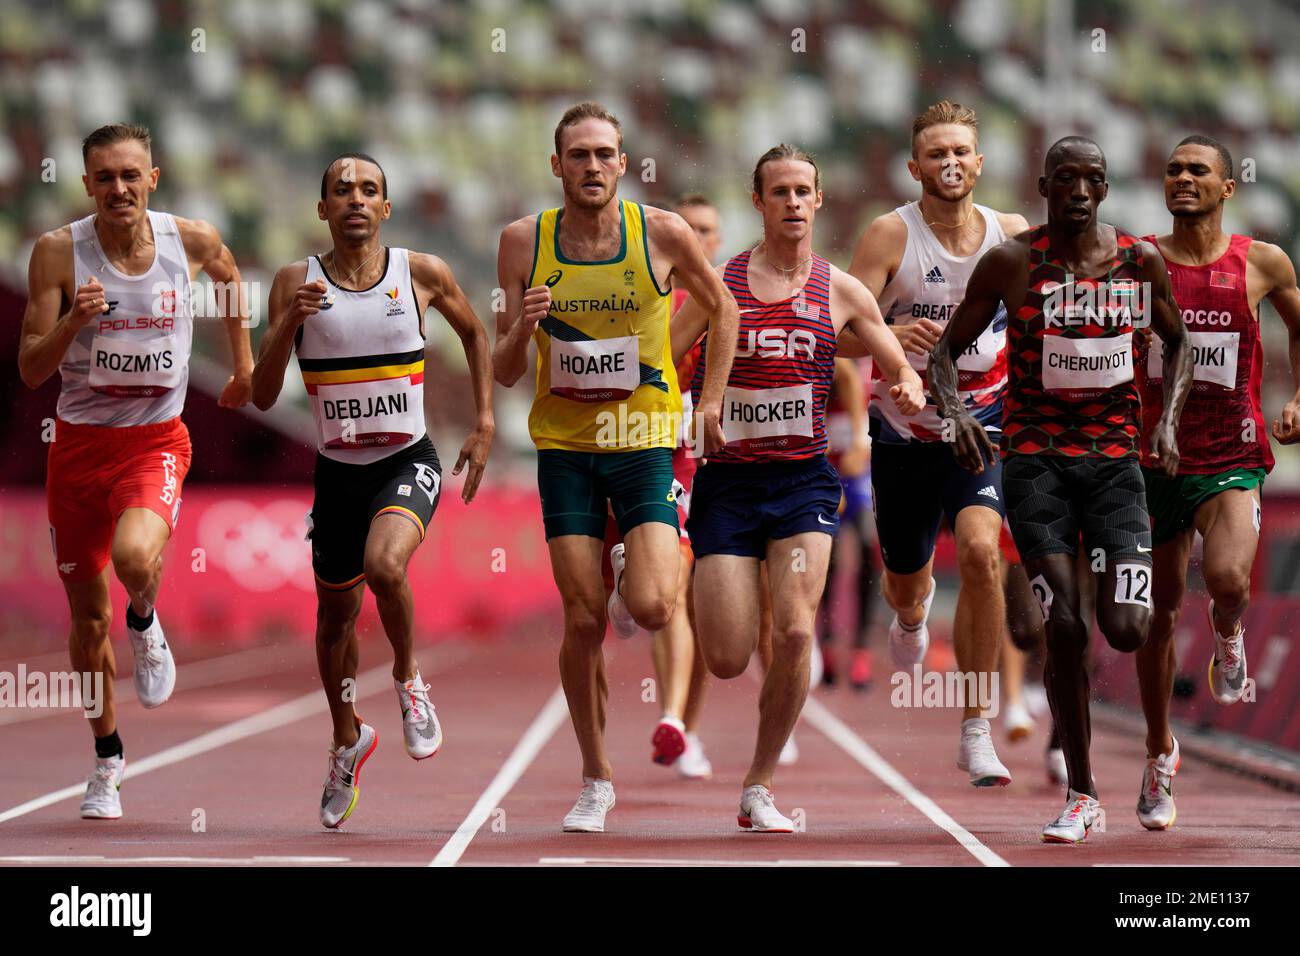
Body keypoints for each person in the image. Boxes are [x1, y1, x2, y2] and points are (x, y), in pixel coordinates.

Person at [928, 136, 1193, 843]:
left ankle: (1159, 751)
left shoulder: (1140, 261)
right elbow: (944, 354)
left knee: (1126, 628)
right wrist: (955, 415)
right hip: (1036, 465)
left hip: (1115, 468)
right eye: (1066, 178)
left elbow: (1182, 342)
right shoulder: (1013, 264)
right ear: (1045, 184)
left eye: (1093, 179)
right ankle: (1082, 793)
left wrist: (1166, 421)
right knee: (1065, 630)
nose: (1079, 189)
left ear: (1105, 189)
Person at [494, 103, 738, 832]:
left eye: (604, 154)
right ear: (556, 166)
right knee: (583, 618)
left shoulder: (662, 232)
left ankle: (638, 558)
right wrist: (525, 327)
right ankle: (596, 777)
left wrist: (712, 404)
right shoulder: (521, 243)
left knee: (659, 606)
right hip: (567, 451)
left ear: (623, 163)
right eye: (578, 156)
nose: (592, 167)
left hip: (644, 439)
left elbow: (721, 307)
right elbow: (506, 371)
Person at [671, 144, 923, 831]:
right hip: (728, 484)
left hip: (804, 484)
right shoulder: (717, 284)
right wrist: (693, 408)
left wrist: (906, 380)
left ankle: (759, 783)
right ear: (757, 202)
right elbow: (663, 358)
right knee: (725, 655)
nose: (790, 202)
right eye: (776, 191)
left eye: (801, 191)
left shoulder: (841, 289)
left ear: (818, 202)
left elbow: (892, 355)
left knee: (792, 630)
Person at [17, 123, 254, 819]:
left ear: (154, 178)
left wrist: (241, 364)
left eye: (131, 175)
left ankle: (146, 619)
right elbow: (32, 370)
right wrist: (73, 323)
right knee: (87, 625)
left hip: (154, 442)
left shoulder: (192, 240)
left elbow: (232, 277)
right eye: (104, 178)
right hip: (78, 450)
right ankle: (107, 760)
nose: (118, 188)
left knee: (132, 556)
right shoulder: (59, 254)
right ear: (86, 184)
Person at [251, 153, 494, 829]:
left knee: (387, 567)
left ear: (386, 208)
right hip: (336, 475)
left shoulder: (420, 273)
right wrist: (283, 327)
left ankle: (410, 680)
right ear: (322, 210)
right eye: (341, 191)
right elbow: (265, 393)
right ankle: (346, 737)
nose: (356, 199)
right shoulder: (292, 282)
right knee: (334, 621)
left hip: (406, 460)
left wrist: (482, 423)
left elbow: (476, 334)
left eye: (370, 190)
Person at [838, 101, 1030, 785]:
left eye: (962, 152)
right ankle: (912, 615)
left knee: (982, 553)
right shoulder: (890, 238)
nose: (950, 163)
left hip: (980, 430)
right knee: (906, 583)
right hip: (901, 436)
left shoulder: (1010, 236)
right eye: (936, 154)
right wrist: (889, 339)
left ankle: (975, 730)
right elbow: (835, 334)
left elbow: (1048, 320)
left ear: (979, 163)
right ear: (916, 167)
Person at [1132, 135, 1300, 830]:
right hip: (1149, 457)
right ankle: (1158, 754)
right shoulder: (1138, 260)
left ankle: (1229, 633)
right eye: (1172, 169)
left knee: (1229, 579)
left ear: (1228, 187)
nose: (1182, 179)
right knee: (1155, 615)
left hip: (1231, 450)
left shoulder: (1262, 262)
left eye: (1198, 170)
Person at [819, 357, 879, 691]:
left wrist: (860, 441)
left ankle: (861, 647)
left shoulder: (871, 354)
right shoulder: (829, 350)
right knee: (829, 554)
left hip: (860, 467)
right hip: (826, 460)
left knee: (870, 550)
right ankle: (826, 641)